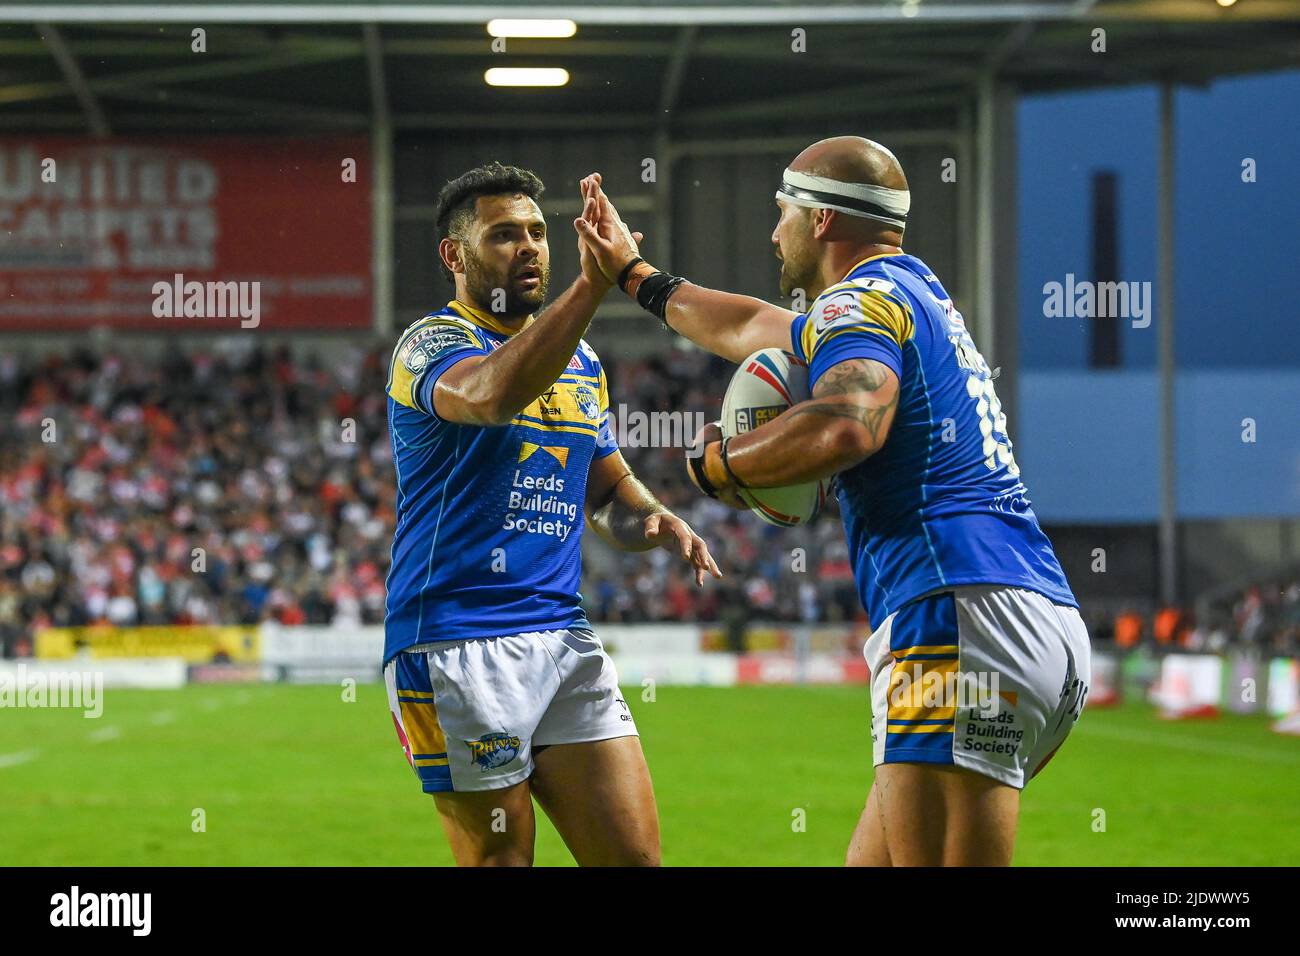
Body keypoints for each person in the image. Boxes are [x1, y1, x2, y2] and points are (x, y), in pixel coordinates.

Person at [574, 137, 1090, 866]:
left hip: (955, 615)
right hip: (1023, 616)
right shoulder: (910, 293)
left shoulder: (856, 301)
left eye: (783, 210)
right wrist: (635, 275)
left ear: (819, 220)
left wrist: (722, 467)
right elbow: (750, 326)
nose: (773, 230)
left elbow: (851, 421)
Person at [383, 163, 721, 866]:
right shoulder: (430, 346)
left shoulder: (581, 362)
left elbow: (606, 495)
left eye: (538, 231)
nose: (530, 247)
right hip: (454, 642)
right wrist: (594, 285)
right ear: (455, 255)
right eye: (504, 235)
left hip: (561, 634)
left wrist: (654, 519)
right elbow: (489, 398)